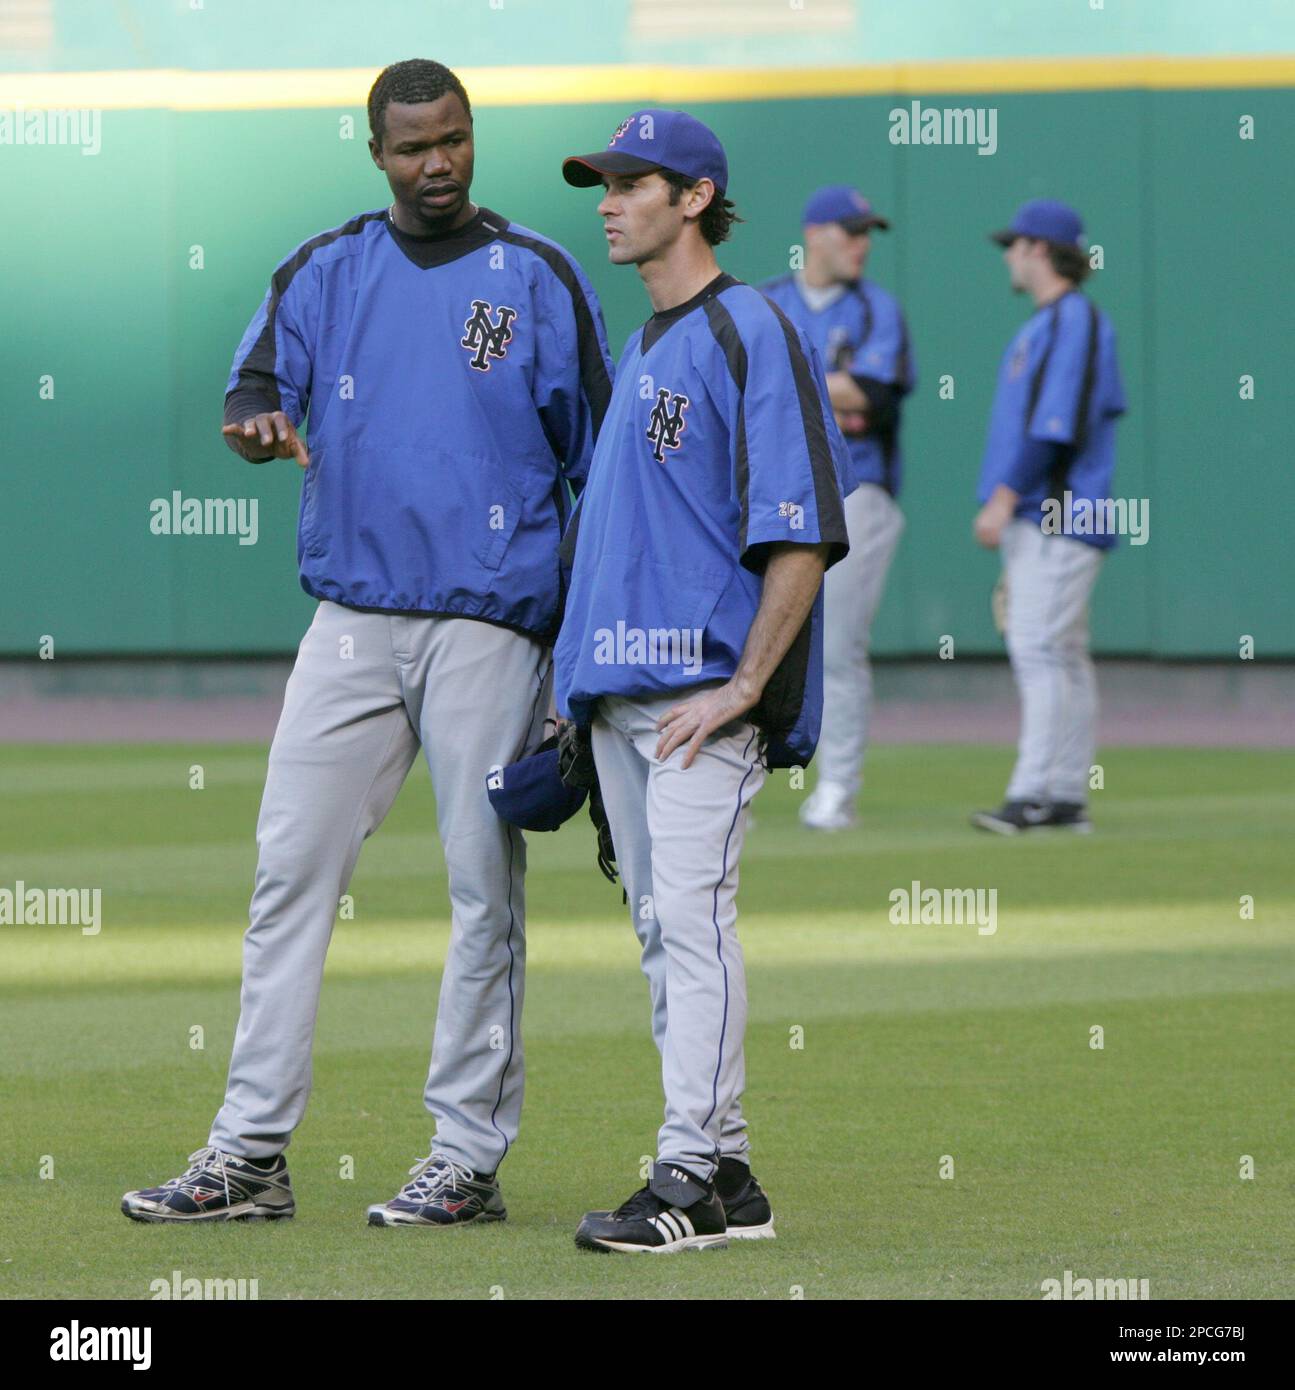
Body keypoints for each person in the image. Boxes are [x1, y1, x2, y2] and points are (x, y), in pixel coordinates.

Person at [121, 58, 613, 1226]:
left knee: (478, 888)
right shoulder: (325, 267)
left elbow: (600, 467)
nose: (435, 164)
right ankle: (248, 1152)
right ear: (375, 152)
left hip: (489, 624)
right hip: (349, 619)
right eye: (410, 147)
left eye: (452, 140)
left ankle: (465, 1157)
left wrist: (576, 660)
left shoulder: (537, 273)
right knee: (288, 875)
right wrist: (256, 426)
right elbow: (249, 396)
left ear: (471, 135)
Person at [555, 109, 850, 1253]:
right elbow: (612, 537)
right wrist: (567, 689)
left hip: (700, 700)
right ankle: (725, 1176)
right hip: (619, 694)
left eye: (631, 181)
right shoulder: (638, 349)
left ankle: (681, 1175)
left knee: (692, 918)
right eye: (603, 182)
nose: (607, 200)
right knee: (658, 929)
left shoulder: (753, 331)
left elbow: (801, 534)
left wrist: (743, 689)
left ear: (693, 197)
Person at [761, 186, 916, 830]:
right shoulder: (767, 301)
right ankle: (736, 780)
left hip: (859, 490)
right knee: (752, 640)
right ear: (815, 233)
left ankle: (837, 791)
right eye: (852, 231)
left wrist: (790, 381)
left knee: (839, 646)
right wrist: (829, 391)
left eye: (868, 232)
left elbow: (874, 397)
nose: (863, 244)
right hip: (773, 495)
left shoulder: (877, 308)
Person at [971, 199, 1125, 835]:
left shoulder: (1073, 321)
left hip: (1057, 513)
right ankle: (1062, 797)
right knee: (1060, 653)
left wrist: (1005, 496)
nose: (1008, 255)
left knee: (1038, 649)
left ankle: (1035, 794)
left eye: (1014, 244)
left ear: (1039, 248)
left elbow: (1056, 428)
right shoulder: (1047, 324)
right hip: (1043, 515)